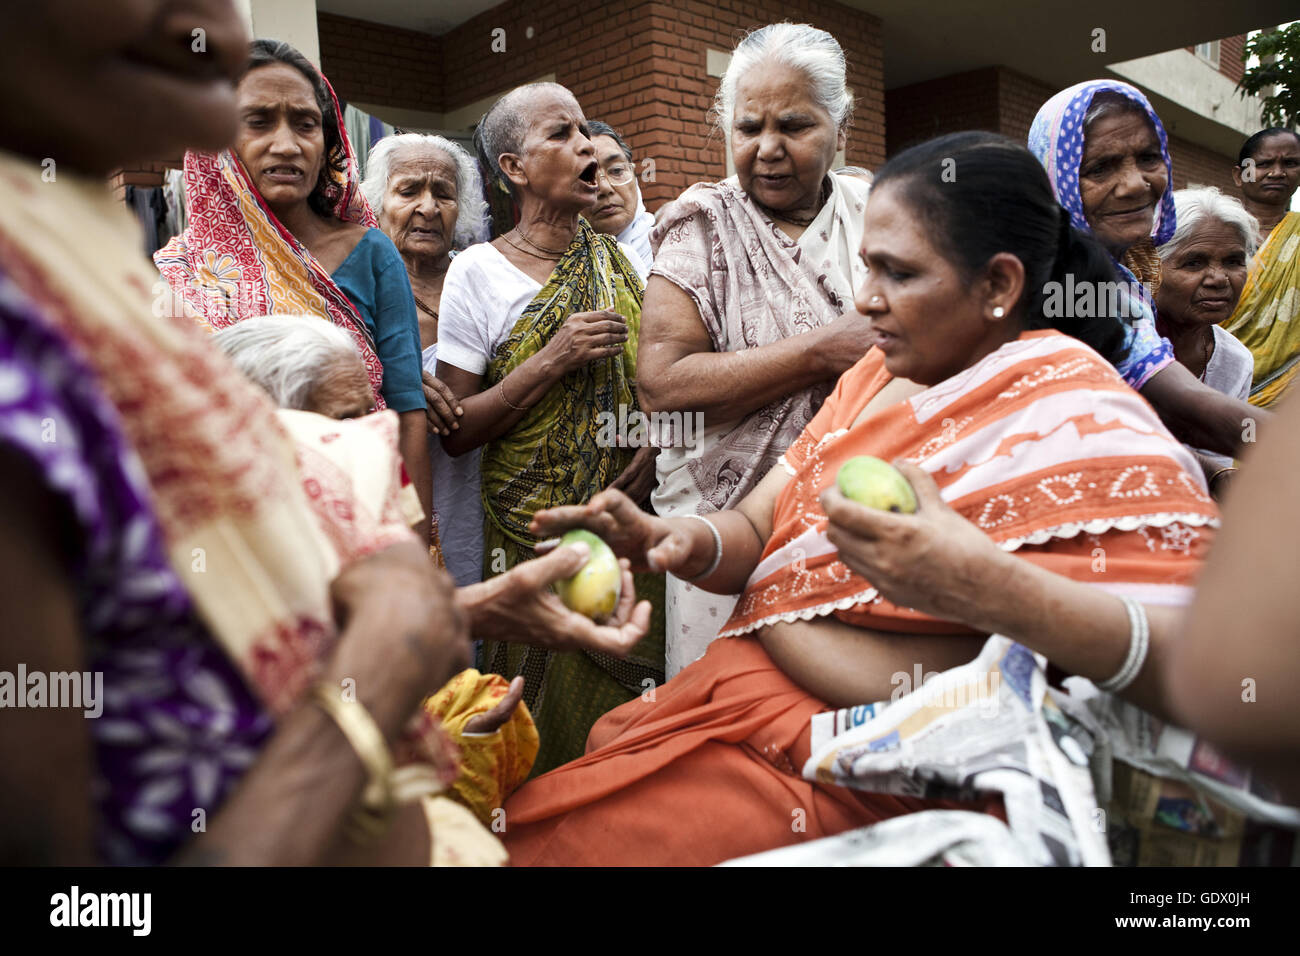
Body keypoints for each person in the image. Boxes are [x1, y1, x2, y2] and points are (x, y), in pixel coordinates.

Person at [0, 1, 646, 866]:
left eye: (306, 121)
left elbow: (224, 613)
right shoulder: (96, 307)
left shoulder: (90, 272)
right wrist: (380, 665)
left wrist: (449, 595)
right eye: (258, 119)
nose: (211, 27)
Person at [500, 133, 1217, 866]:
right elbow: (757, 524)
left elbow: (1190, 668)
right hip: (732, 709)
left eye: (897, 273)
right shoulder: (875, 373)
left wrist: (979, 583)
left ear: (999, 286)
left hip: (875, 774)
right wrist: (673, 541)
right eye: (867, 266)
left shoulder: (1073, 414)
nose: (865, 300)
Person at [435, 81, 663, 775]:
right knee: (545, 743)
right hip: (532, 541)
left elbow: (659, 389)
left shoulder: (620, 262)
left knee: (635, 732)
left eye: (584, 132)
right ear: (513, 169)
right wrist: (551, 359)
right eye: (560, 135)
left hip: (629, 530)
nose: (586, 147)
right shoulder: (477, 272)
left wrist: (657, 447)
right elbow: (456, 428)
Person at [638, 23, 873, 676]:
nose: (767, 149)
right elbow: (661, 386)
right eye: (749, 129)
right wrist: (824, 351)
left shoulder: (876, 210)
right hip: (719, 531)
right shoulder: (700, 227)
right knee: (728, 718)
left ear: (841, 126)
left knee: (832, 715)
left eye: (794, 126)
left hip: (852, 520)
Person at [155, 40, 433, 541]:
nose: (286, 144)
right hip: (240, 527)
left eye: (305, 123)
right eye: (258, 121)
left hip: (359, 515)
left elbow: (407, 414)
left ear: (327, 141)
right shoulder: (185, 268)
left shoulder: (371, 253)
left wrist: (413, 542)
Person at [1029, 79, 1268, 462]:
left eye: (1148, 158)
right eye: (1100, 167)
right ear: (1055, 175)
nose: (1135, 185)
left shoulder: (1120, 288)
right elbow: (1190, 412)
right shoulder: (1038, 276)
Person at [362, 133, 490, 585]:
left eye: (444, 193)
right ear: (377, 203)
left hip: (478, 493)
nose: (429, 207)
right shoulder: (355, 293)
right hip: (390, 496)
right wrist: (394, 379)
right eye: (409, 190)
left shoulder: (484, 280)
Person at [1153, 188, 1257, 492]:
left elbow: (1217, 466)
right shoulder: (1114, 340)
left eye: (1233, 262)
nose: (1219, 278)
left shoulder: (1235, 361)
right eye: (1194, 263)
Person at [1222, 128, 1300, 407]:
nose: (1277, 173)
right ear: (1239, 174)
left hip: (1287, 394)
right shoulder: (1209, 227)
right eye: (1264, 164)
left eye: (1290, 163)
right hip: (1206, 378)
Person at [585, 120, 655, 268]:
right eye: (587, 176)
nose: (604, 188)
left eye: (616, 171)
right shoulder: (560, 269)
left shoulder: (671, 251)